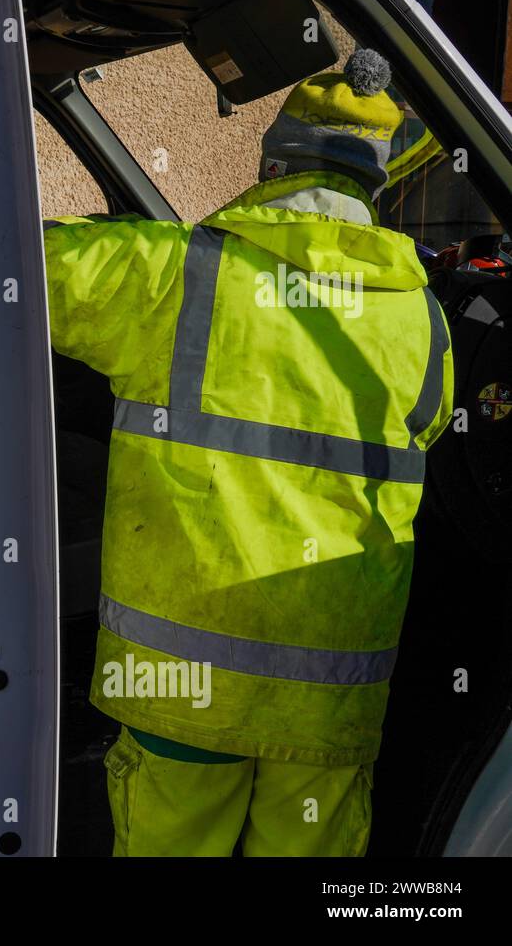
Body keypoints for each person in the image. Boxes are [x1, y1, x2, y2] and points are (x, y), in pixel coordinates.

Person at [45, 51, 454, 856]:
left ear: (270, 165)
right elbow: (425, 433)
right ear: (373, 188)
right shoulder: (428, 324)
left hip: (181, 684)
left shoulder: (170, 273)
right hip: (332, 695)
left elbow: (1, 270)